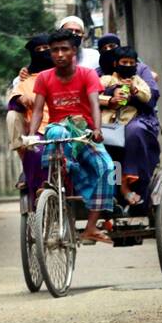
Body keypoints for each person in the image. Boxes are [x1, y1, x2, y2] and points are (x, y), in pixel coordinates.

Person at [26, 29, 114, 244]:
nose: (59, 54)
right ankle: (53, 197)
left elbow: (95, 103)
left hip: (84, 134)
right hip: (59, 132)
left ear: (74, 50)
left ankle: (91, 228)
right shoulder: (44, 78)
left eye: (64, 49)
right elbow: (37, 110)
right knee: (57, 131)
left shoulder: (87, 74)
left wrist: (97, 129)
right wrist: (30, 135)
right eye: (55, 50)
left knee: (108, 168)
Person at [99, 46, 161, 210]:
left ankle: (127, 184)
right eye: (123, 62)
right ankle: (110, 194)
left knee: (134, 134)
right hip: (108, 125)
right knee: (108, 154)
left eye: (131, 63)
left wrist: (135, 90)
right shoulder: (105, 80)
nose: (127, 66)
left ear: (136, 65)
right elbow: (93, 94)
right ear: (115, 63)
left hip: (129, 123)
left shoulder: (138, 80)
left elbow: (148, 95)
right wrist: (112, 95)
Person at [8, 33, 54, 206]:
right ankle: (38, 189)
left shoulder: (64, 73)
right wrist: (21, 99)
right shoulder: (25, 80)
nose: (43, 53)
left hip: (64, 125)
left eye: (46, 49)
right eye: (38, 50)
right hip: (38, 128)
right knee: (36, 151)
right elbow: (14, 100)